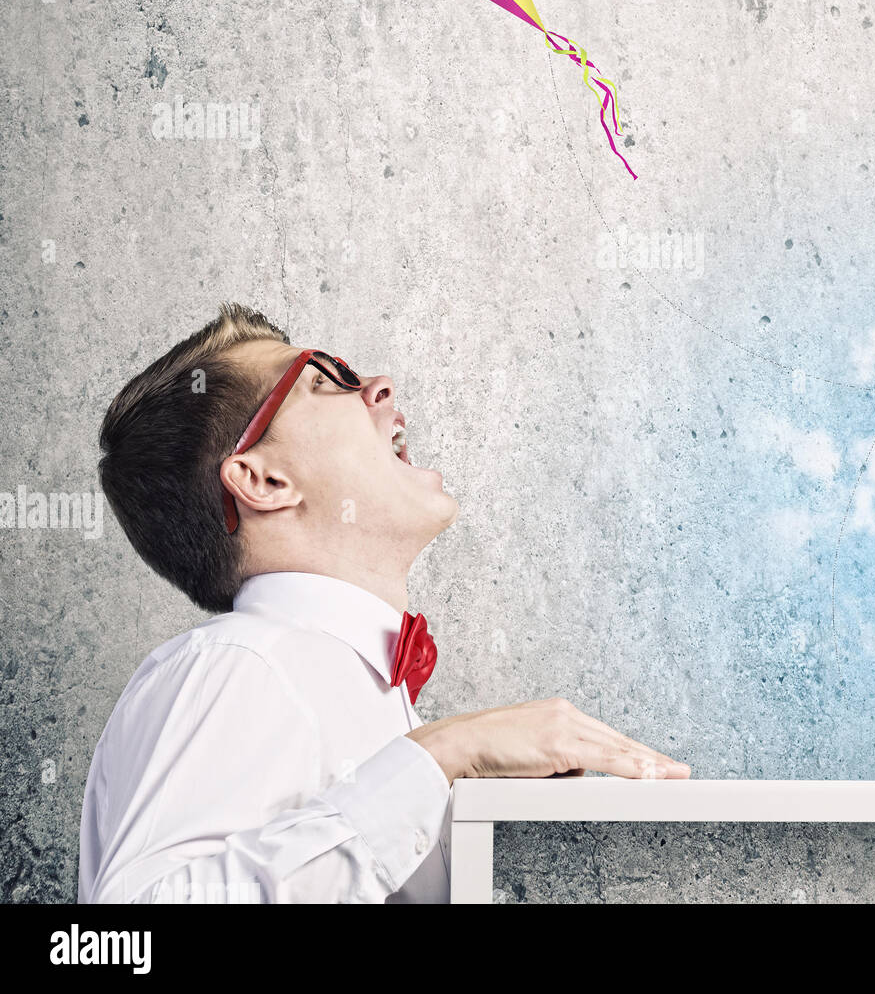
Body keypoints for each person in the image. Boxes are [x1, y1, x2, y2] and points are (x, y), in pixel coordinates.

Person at [79, 301, 688, 903]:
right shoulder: (237, 662)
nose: (379, 387)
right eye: (325, 380)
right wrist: (446, 755)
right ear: (264, 481)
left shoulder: (352, 691)